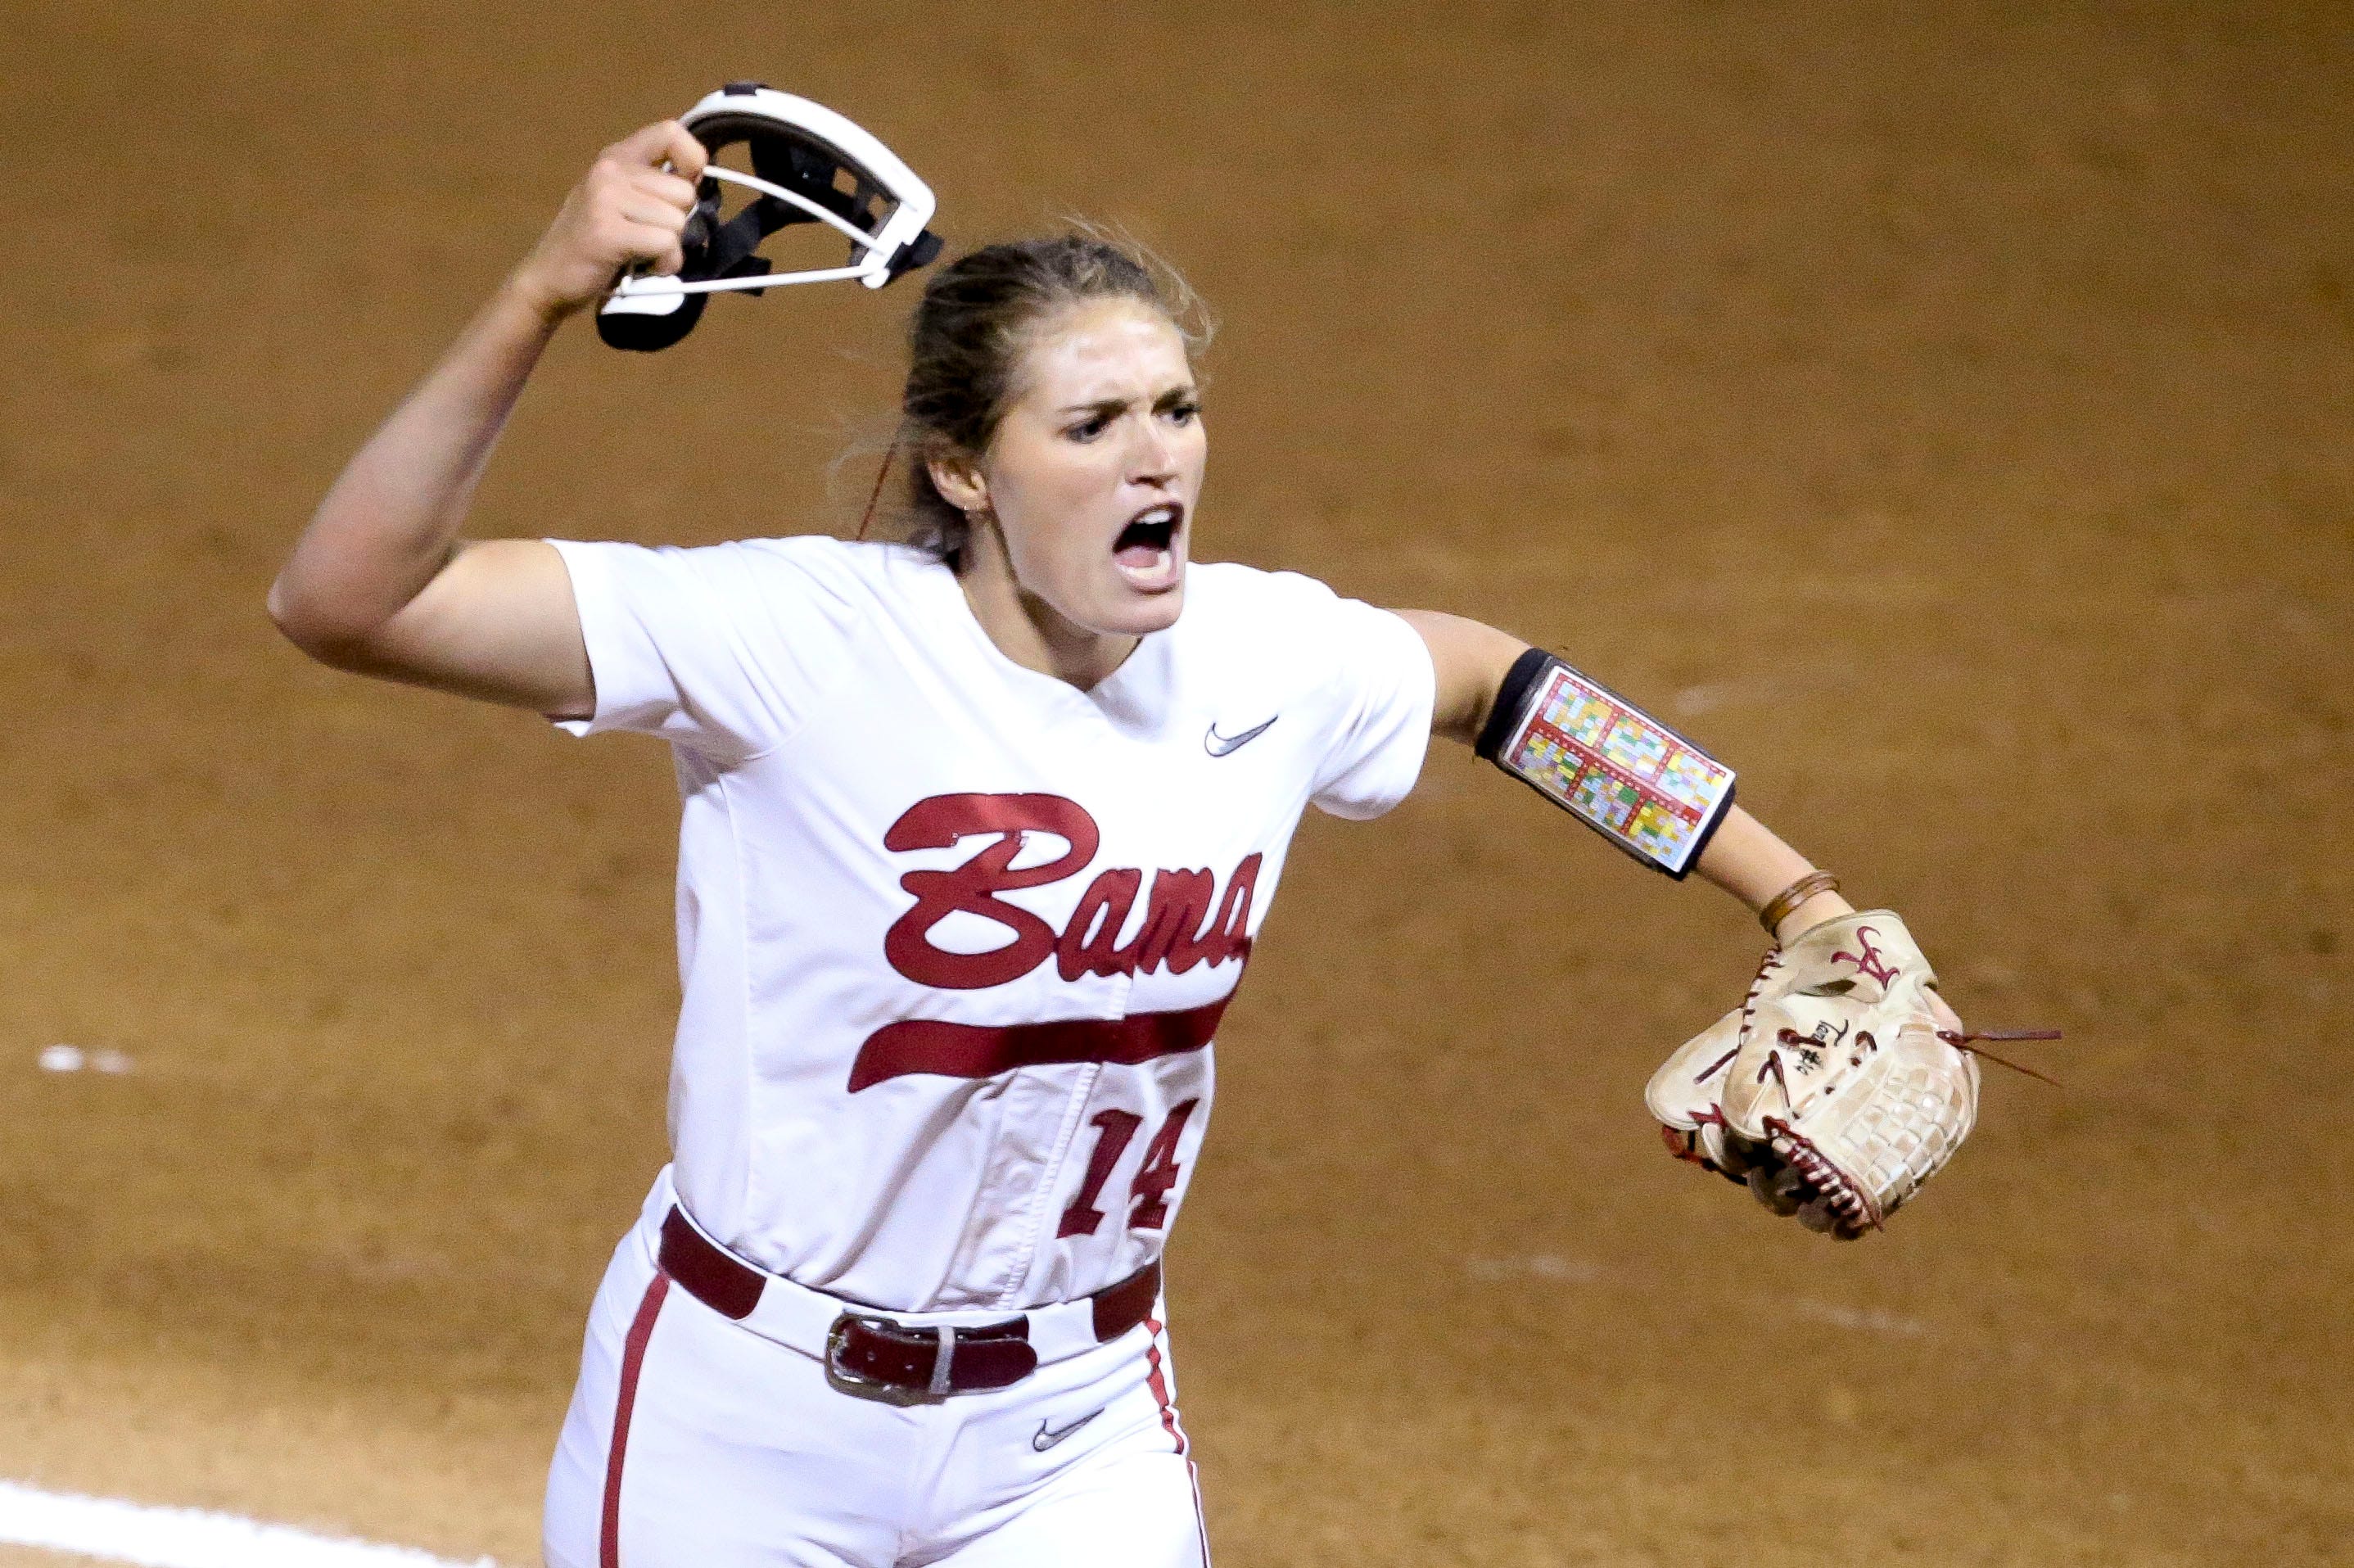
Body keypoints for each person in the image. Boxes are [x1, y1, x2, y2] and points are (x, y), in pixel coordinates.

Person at [270, 119, 1950, 1568]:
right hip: (747, 1421)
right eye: (1091, 425)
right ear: (966, 470)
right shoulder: (798, 640)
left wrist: (1792, 894)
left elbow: (1494, 685)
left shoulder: (1262, 661)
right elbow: (353, 601)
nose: (1157, 453)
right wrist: (541, 293)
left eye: (1176, 406)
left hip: (1071, 1429)